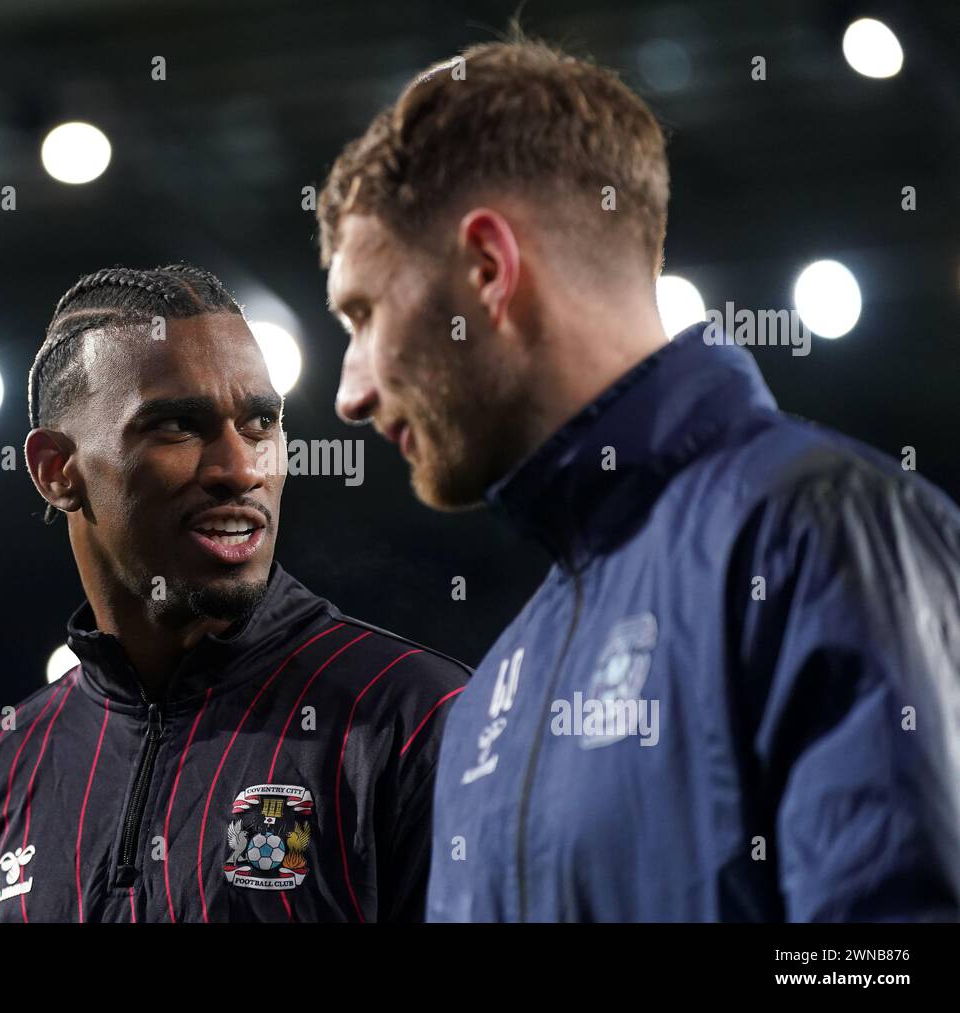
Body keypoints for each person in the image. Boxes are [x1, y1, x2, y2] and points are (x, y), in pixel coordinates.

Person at [316, 37, 960, 921]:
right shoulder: (488, 697)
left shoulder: (817, 535)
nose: (348, 394)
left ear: (489, 268)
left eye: (362, 313)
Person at [0, 264, 466, 923]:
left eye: (260, 423)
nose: (240, 468)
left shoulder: (419, 722)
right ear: (57, 471)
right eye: (178, 427)